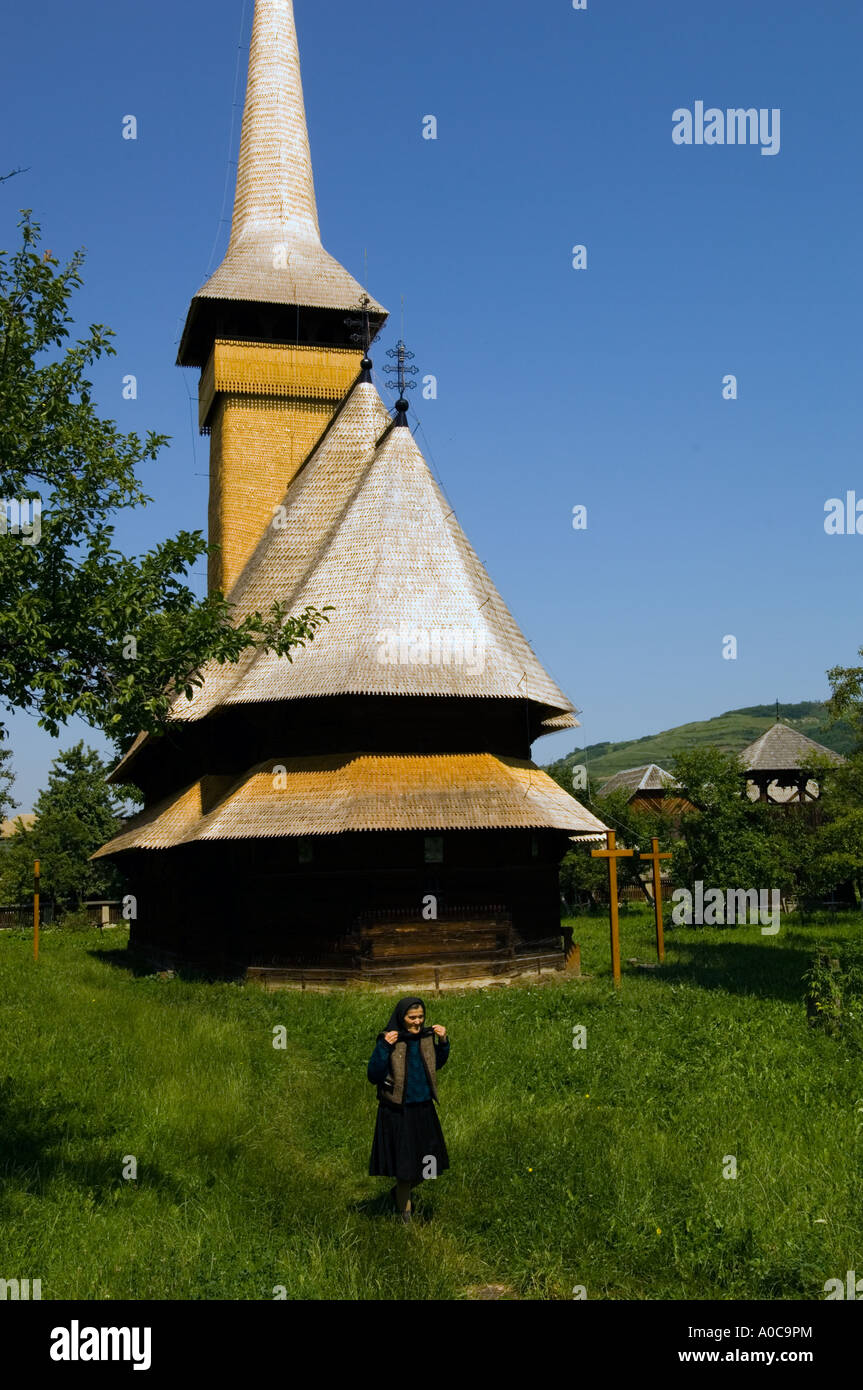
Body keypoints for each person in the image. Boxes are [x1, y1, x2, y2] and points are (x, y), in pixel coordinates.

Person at [367, 996, 450, 1223]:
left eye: (421, 1017)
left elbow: (435, 1065)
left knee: (430, 1166)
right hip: (398, 1112)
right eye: (412, 1017)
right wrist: (384, 1047)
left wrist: (443, 1042)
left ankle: (398, 1194)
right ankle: (405, 1218)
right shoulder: (389, 1040)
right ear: (401, 1018)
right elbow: (373, 1075)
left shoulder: (425, 1038)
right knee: (405, 1169)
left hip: (424, 1108)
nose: (417, 1022)